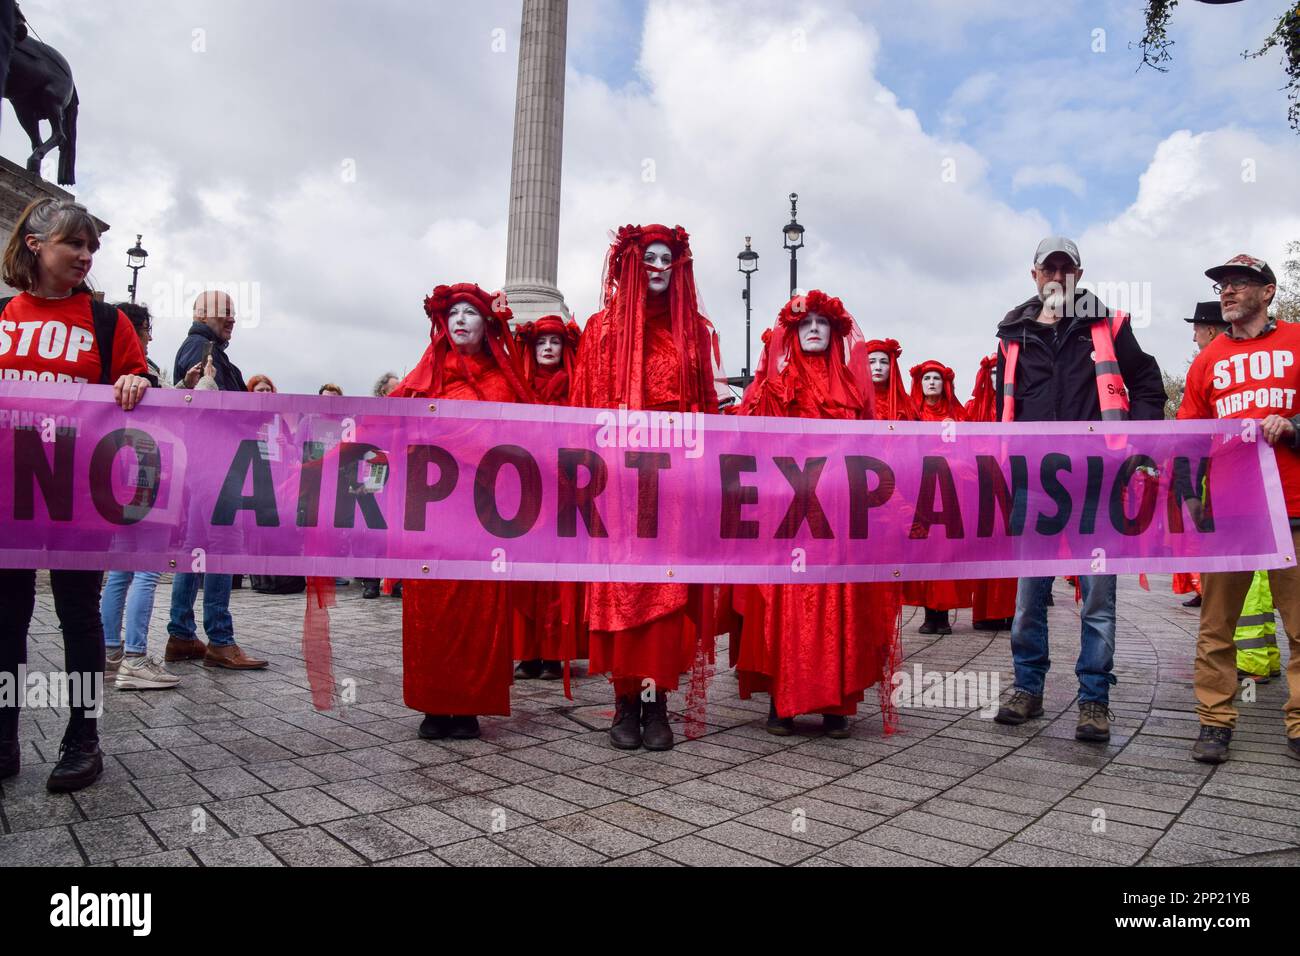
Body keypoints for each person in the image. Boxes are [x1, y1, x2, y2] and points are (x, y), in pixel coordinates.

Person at [0, 197, 151, 793]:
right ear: (36, 245)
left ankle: (82, 739)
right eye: (74, 244)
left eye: (92, 247)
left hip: (78, 495)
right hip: (10, 493)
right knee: (6, 622)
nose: (86, 256)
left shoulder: (109, 322)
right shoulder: (4, 314)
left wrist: (136, 380)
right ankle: (4, 736)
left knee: (79, 619)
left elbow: (141, 385)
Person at [992, 236, 1165, 743]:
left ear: (1079, 274)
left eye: (1067, 270)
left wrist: (1138, 444)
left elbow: (1148, 385)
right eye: (1050, 268)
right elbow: (1005, 407)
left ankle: (1094, 700)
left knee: (1098, 599)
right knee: (1028, 597)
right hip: (1034, 483)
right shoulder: (1011, 332)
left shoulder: (1109, 325)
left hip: (1098, 485)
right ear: (1035, 275)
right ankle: (1028, 688)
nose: (1058, 277)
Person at [570, 223, 725, 751]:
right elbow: (583, 413)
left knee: (666, 590)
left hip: (674, 486)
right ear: (631, 266)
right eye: (648, 258)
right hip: (617, 486)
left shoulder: (694, 335)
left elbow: (705, 411)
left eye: (667, 258)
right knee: (621, 591)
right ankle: (622, 701)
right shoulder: (600, 331)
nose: (658, 267)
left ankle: (657, 703)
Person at [730, 290, 901, 736]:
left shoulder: (851, 388)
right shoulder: (773, 385)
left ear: (835, 333)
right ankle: (783, 701)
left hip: (839, 520)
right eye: (805, 325)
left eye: (822, 324)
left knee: (839, 600)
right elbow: (747, 441)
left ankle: (837, 702)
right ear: (792, 332)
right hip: (788, 519)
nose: (813, 331)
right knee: (785, 605)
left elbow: (871, 451)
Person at [391, 283, 534, 741]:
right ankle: (434, 703)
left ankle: (468, 704)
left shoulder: (504, 384)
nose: (460, 320)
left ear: (487, 323)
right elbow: (385, 431)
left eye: (470, 312)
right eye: (453, 313)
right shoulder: (422, 381)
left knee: (477, 610)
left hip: (483, 517)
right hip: (431, 516)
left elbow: (529, 443)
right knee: (429, 611)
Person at [1178, 253, 1300, 764]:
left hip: (1294, 510)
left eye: (1239, 284)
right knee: (1216, 626)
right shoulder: (1206, 361)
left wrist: (1295, 428)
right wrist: (1189, 501)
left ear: (1268, 292)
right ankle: (1215, 721)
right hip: (1230, 513)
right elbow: (1188, 437)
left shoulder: (1296, 342)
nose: (1227, 292)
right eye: (1223, 285)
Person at [166, 291, 267, 670]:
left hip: (200, 465)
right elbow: (209, 410)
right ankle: (220, 641)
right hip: (217, 466)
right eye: (224, 312)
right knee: (222, 548)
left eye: (233, 313)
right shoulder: (204, 350)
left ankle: (180, 634)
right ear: (199, 313)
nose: (231, 319)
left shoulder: (200, 347)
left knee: (195, 548)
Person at [101, 302, 180, 691]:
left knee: (119, 571)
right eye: (147, 327)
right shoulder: (137, 374)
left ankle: (111, 651)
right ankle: (135, 657)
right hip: (146, 474)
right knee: (146, 569)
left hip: (114, 476)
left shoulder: (108, 370)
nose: (150, 335)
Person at [512, 315, 586, 681]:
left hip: (563, 492)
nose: (547, 348)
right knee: (526, 573)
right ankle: (527, 652)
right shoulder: (519, 387)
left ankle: (555, 652)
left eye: (555, 342)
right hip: (525, 491)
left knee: (558, 576)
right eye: (541, 342)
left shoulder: (578, 389)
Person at [903, 360, 972, 635]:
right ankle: (928, 611)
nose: (931, 382)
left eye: (936, 378)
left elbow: (969, 452)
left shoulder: (959, 415)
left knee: (945, 552)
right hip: (919, 493)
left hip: (949, 493)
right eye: (926, 378)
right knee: (922, 552)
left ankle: (941, 613)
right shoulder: (911, 413)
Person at [1173, 302, 1227, 608]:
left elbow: (1189, 434)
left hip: (1219, 483)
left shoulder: (1207, 364)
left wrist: (1188, 487)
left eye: (1196, 330)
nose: (1194, 338)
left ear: (1210, 329)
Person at [964, 353, 1016, 631]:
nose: (997, 378)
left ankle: (1008, 610)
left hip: (1012, 483)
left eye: (1002, 372)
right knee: (985, 547)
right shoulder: (973, 408)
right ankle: (984, 612)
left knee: (1010, 549)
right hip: (981, 486)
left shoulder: (1019, 407)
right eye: (993, 372)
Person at [359, 372, 401, 598]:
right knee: (373, 527)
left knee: (396, 529)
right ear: (383, 391)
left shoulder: (406, 414)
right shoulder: (373, 415)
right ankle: (371, 581)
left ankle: (395, 581)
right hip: (376, 469)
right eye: (395, 387)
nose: (400, 390)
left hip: (399, 474)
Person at [864, 338, 917, 422]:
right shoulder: (855, 399)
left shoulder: (907, 403)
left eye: (884, 362)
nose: (878, 367)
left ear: (892, 366)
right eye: (871, 362)